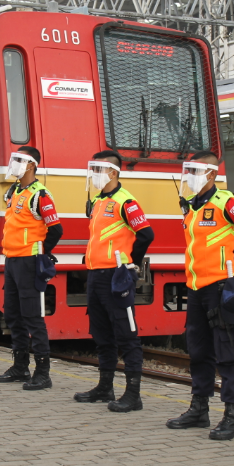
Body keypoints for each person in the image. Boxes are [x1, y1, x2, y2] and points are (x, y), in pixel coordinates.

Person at [165, 150, 234, 440]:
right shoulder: (192, 206)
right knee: (198, 351)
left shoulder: (226, 202)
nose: (188, 178)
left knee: (228, 353)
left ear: (211, 175)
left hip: (222, 288)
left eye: (194, 172)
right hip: (197, 287)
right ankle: (199, 409)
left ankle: (232, 417)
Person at [74, 150, 154, 412]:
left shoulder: (126, 201)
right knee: (101, 334)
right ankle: (105, 386)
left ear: (113, 172)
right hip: (96, 275)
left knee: (127, 336)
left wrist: (130, 263)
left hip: (116, 276)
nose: (93, 175)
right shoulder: (98, 201)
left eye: (98, 170)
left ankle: (133, 395)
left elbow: (146, 234)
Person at [0, 147, 63, 390]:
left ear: (32, 165)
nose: (14, 163)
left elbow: (56, 229)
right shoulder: (15, 191)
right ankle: (20, 367)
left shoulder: (41, 195)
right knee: (12, 314)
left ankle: (42, 372)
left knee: (33, 317)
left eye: (20, 160)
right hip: (12, 260)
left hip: (29, 261)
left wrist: (42, 252)